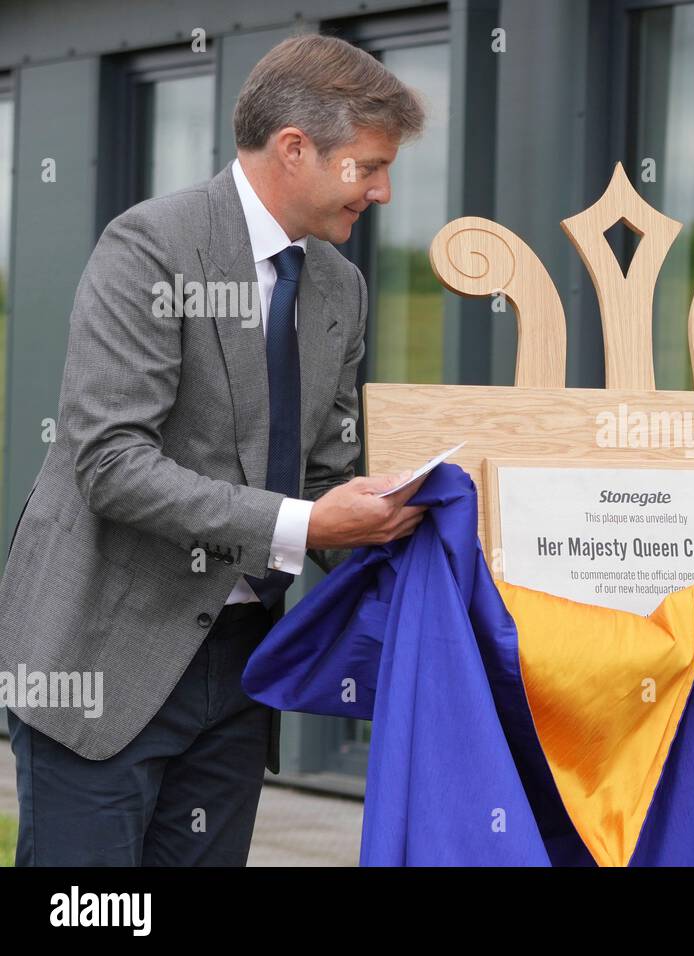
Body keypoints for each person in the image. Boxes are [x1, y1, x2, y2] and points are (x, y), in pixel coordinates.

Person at [0, 34, 428, 866]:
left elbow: (328, 477)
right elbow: (110, 463)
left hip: (239, 672)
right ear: (295, 149)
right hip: (100, 658)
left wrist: (436, 561)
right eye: (368, 166)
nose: (380, 191)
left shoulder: (340, 285)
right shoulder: (151, 245)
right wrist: (310, 524)